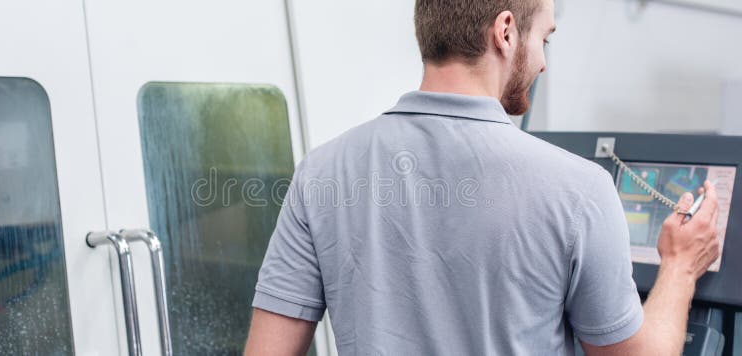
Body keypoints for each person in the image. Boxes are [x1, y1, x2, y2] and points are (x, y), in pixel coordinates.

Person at [244, 0, 721, 355]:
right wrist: (680, 266)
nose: (543, 61)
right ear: (506, 32)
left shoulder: (321, 172)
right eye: (545, 39)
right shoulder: (580, 190)